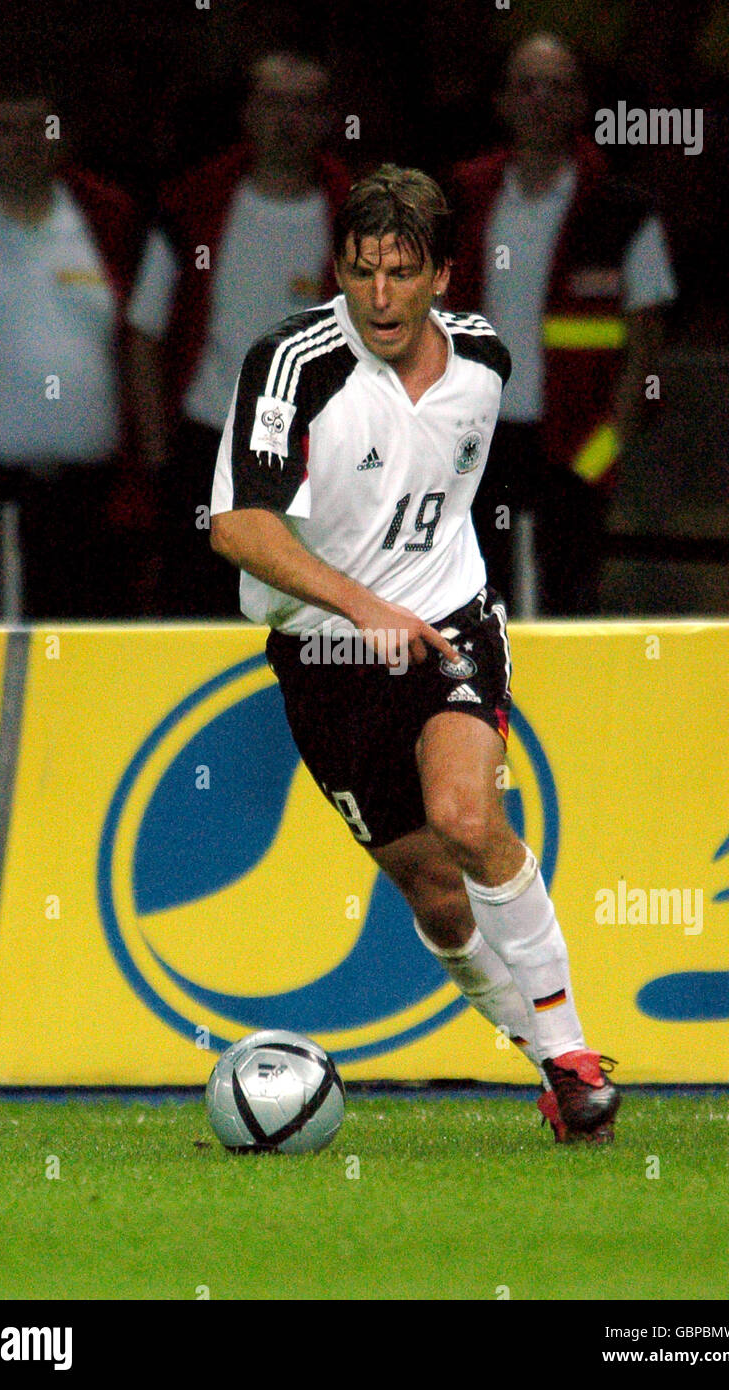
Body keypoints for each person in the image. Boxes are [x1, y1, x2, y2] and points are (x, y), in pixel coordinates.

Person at [210, 164, 620, 1143]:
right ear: (338, 271)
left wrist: (407, 602)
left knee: (465, 815)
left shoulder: (485, 362)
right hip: (323, 661)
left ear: (442, 273)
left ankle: (572, 1052)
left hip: (446, 628)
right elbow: (237, 528)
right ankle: (545, 1063)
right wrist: (359, 604)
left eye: (401, 272)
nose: (379, 296)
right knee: (433, 893)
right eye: (360, 272)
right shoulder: (289, 363)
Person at [449, 32, 677, 615]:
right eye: (526, 86)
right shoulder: (463, 197)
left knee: (570, 606)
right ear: (500, 101)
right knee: (470, 603)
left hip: (573, 449)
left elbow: (643, 358)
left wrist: (594, 463)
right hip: (476, 442)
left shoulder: (623, 213)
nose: (541, 101)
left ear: (581, 103)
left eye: (558, 87)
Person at [126, 50, 350, 618]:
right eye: (273, 102)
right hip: (208, 447)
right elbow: (144, 337)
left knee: (308, 621)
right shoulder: (190, 204)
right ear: (247, 112)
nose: (287, 120)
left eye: (305, 105)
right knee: (195, 616)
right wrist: (160, 459)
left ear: (327, 119)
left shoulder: (358, 214)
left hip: (320, 457)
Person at [0, 78, 143, 621]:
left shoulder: (108, 218)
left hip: (91, 491)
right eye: (5, 128)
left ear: (66, 139)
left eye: (40, 127)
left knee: (88, 654)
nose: (25, 141)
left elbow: (145, 340)